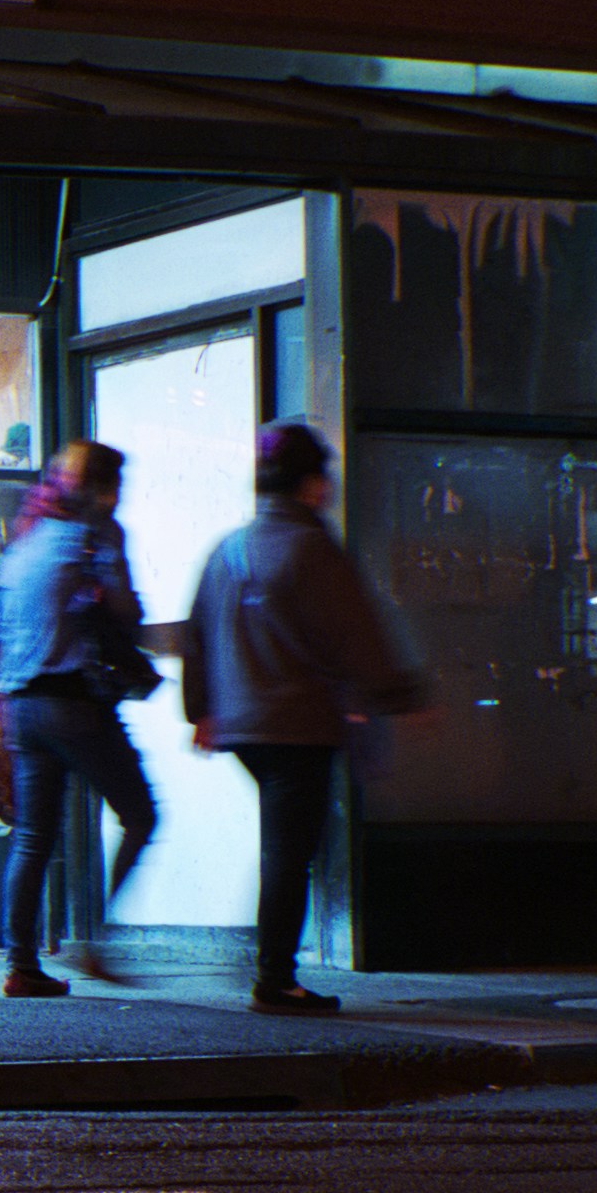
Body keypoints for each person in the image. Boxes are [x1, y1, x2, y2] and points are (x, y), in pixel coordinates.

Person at [181, 419, 427, 1016]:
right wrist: (400, 694)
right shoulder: (313, 547)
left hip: (242, 724)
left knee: (283, 845)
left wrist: (201, 710)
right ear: (313, 484)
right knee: (290, 850)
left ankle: (267, 962)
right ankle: (273, 977)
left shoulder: (229, 547)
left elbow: (195, 637)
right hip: (296, 722)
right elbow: (357, 636)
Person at [0, 438, 160, 1000]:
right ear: (105, 490)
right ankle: (96, 941)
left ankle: (21, 966)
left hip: (21, 707)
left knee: (33, 837)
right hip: (72, 701)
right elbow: (124, 611)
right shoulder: (94, 538)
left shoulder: (25, 539)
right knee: (139, 815)